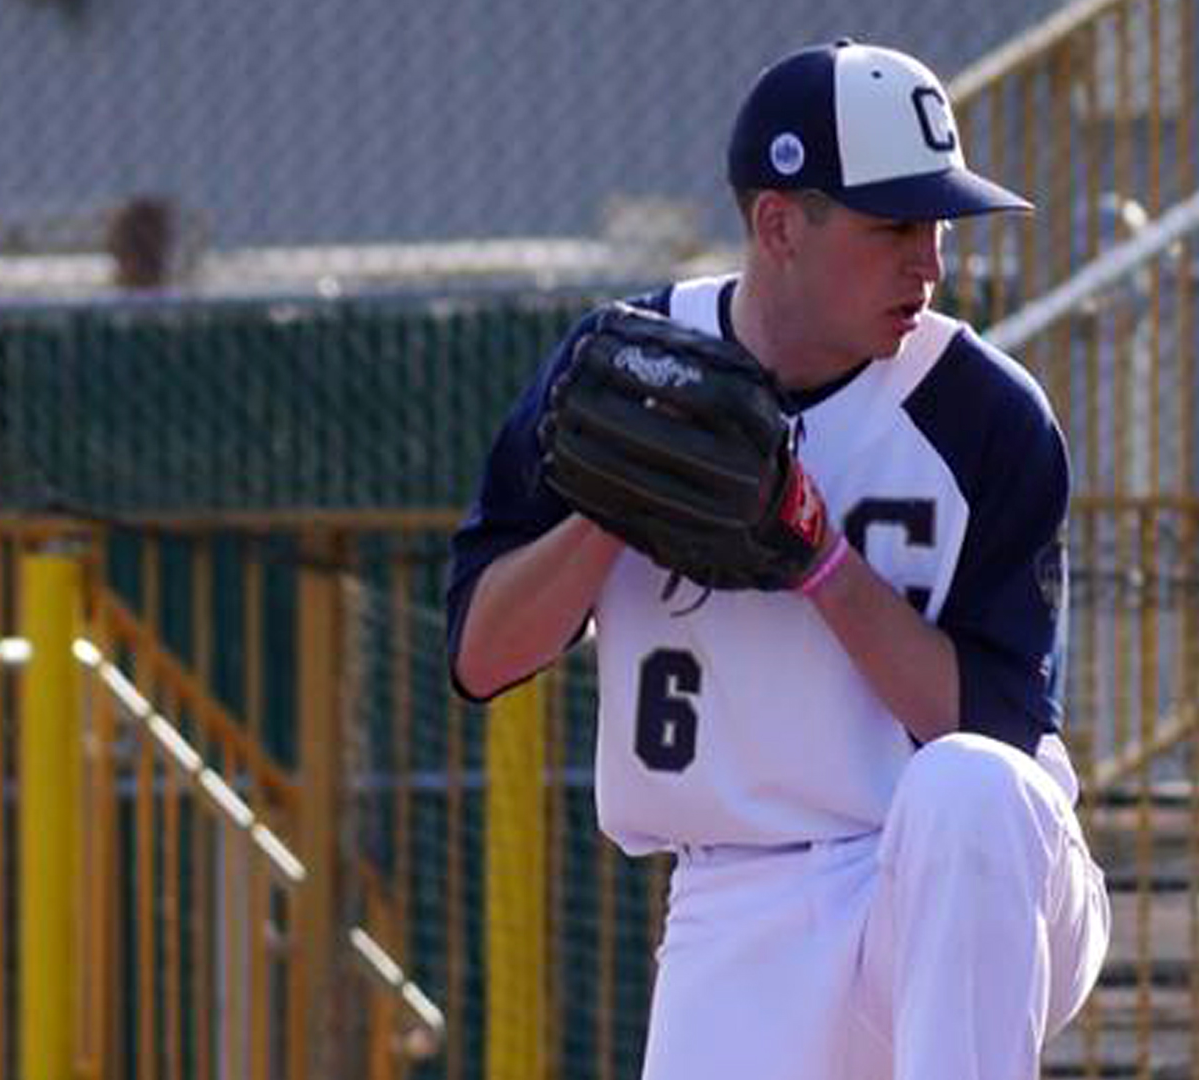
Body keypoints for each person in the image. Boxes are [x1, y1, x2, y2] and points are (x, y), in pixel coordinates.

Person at [446, 39, 1109, 1080]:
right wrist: (613, 510)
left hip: (954, 882)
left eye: (939, 225)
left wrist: (820, 563)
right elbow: (482, 656)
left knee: (967, 790)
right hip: (736, 894)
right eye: (894, 225)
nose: (930, 263)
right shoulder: (623, 372)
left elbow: (995, 737)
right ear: (777, 224)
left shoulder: (985, 414)